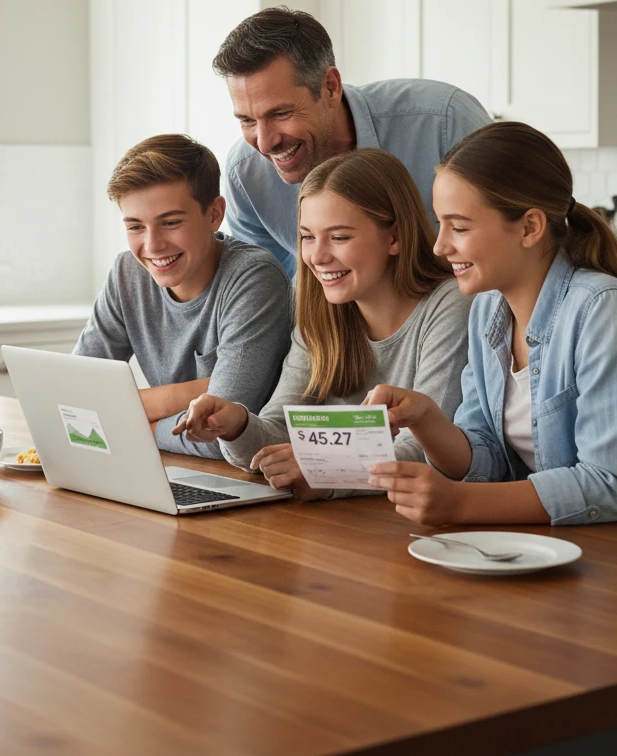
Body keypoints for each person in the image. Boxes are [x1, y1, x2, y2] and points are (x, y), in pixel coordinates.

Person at [366, 121, 617, 531]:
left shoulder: (603, 310)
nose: (439, 246)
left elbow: (610, 485)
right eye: (441, 224)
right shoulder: (487, 309)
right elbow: (488, 457)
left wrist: (460, 503)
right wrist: (426, 419)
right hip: (553, 553)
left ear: (530, 227)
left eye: (460, 227)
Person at [176, 148, 472, 498]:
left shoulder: (451, 304)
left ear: (394, 237)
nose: (317, 256)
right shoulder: (318, 299)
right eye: (307, 236)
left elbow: (425, 452)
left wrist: (326, 472)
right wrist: (236, 424)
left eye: (340, 237)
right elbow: (278, 432)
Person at [214, 7, 490, 276]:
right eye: (247, 120)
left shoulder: (444, 120)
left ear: (331, 87)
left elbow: (511, 247)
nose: (263, 143)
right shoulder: (246, 175)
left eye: (281, 113)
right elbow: (268, 293)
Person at [73, 134, 292, 460]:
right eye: (135, 227)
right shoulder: (126, 273)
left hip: (250, 477)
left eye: (171, 222)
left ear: (215, 214)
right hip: (172, 465)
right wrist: (197, 390)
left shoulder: (253, 277)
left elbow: (219, 433)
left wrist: (126, 423)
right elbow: (75, 399)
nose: (153, 246)